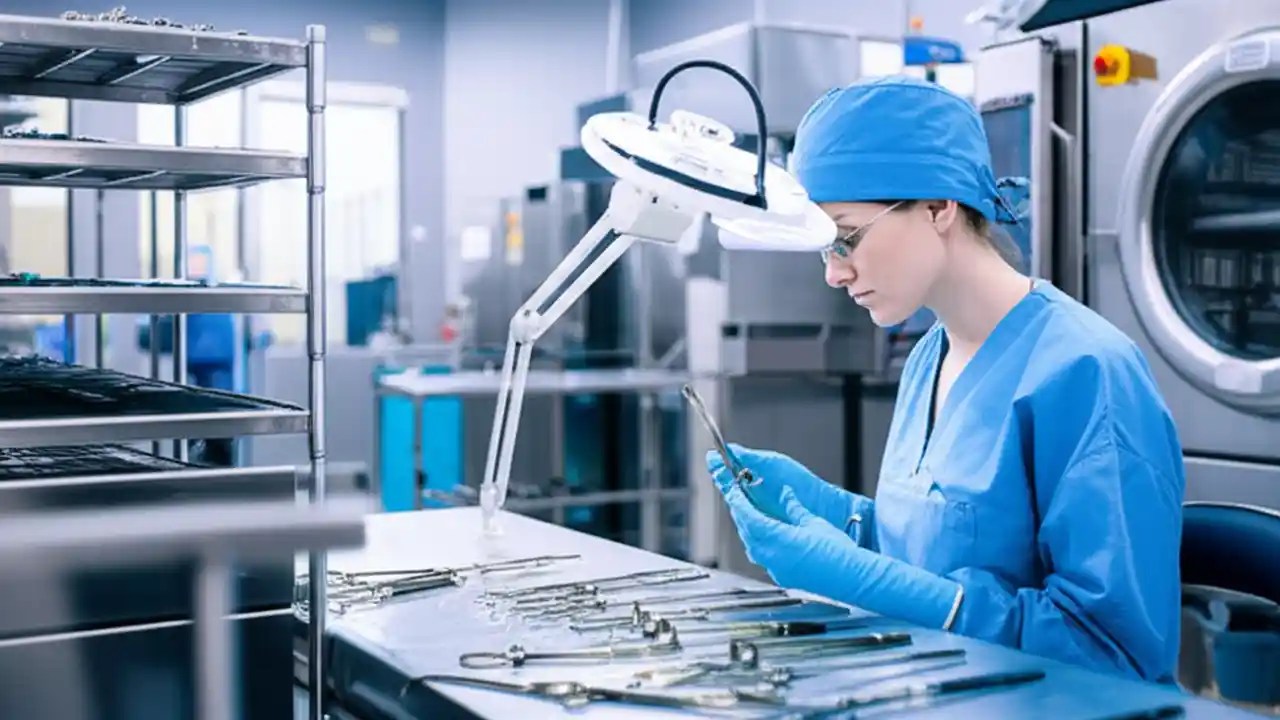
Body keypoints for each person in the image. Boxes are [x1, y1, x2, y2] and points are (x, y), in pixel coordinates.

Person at [705, 75, 1186, 685]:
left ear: (939, 207)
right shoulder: (932, 354)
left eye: (845, 238)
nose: (833, 273)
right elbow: (936, 549)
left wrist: (933, 604)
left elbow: (1116, 655)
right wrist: (836, 518)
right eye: (821, 249)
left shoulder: (1087, 374)